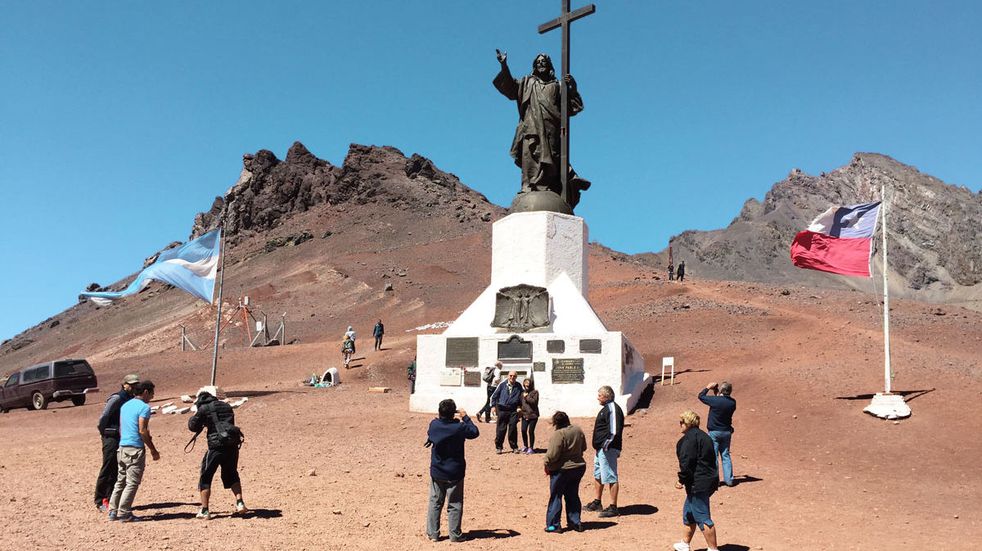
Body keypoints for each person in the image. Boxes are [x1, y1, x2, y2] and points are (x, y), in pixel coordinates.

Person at [493, 50, 590, 209]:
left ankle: (552, 188)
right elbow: (509, 86)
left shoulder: (558, 86)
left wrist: (572, 87)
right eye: (538, 62)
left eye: (544, 62)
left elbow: (573, 107)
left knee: (552, 159)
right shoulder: (527, 83)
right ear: (534, 66)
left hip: (552, 129)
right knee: (531, 155)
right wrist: (504, 65)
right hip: (531, 127)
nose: (541, 64)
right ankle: (529, 186)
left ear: (549, 65)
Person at [187, 386, 248, 519]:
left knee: (206, 476)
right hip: (231, 445)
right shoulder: (226, 406)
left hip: (215, 447)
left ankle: (204, 510)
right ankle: (240, 502)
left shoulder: (204, 409)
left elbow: (192, 426)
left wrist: (197, 414)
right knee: (232, 474)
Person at [425, 399, 479, 542]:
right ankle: (455, 535)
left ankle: (433, 534)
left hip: (437, 471)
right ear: (453, 413)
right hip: (455, 472)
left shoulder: (434, 425)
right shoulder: (459, 428)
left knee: (435, 502)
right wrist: (465, 417)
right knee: (454, 504)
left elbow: (431, 434)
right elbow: (474, 432)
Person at [108, 380, 160, 522]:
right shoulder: (144, 407)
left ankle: (113, 510)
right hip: (135, 448)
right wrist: (153, 450)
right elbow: (142, 430)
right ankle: (124, 513)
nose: (152, 397)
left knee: (121, 480)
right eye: (152, 393)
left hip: (122, 447)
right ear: (145, 392)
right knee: (132, 482)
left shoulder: (125, 405)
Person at [673, 410, 720, 551]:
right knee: (689, 513)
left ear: (687, 423)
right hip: (708, 480)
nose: (680, 425)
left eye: (681, 422)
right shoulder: (705, 436)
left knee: (702, 516)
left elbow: (687, 462)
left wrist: (681, 480)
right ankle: (685, 543)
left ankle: (713, 548)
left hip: (697, 483)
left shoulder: (689, 439)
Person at [94, 373, 138, 512]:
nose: (133, 387)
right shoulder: (117, 398)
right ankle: (101, 500)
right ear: (124, 385)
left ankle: (112, 499)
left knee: (119, 469)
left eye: (135, 385)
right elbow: (104, 417)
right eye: (131, 385)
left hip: (123, 437)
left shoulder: (132, 399)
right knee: (108, 467)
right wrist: (105, 433)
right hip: (111, 436)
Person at [543, 411, 587, 533]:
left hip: (561, 470)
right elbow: (584, 447)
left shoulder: (558, 434)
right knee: (572, 495)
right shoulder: (578, 430)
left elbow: (552, 455)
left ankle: (553, 525)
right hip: (578, 467)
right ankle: (575, 522)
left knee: (556, 496)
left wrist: (546, 463)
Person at [584, 385, 624, 518]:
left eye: (600, 395)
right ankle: (597, 501)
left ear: (607, 396)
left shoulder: (612, 409)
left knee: (611, 475)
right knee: (598, 474)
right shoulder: (606, 409)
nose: (598, 398)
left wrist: (605, 446)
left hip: (608, 448)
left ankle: (613, 507)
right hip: (601, 449)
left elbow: (614, 431)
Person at [699, 381, 736, 487]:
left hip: (714, 432)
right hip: (726, 432)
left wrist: (707, 387)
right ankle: (729, 480)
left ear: (721, 391)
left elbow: (701, 396)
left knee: (713, 456)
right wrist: (717, 392)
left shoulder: (715, 401)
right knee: (725, 455)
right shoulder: (733, 402)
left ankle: (715, 481)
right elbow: (721, 401)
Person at [490, 370, 523, 454]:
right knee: (501, 429)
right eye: (511, 375)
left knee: (512, 429)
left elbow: (521, 398)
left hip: (513, 410)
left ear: (516, 377)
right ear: (508, 376)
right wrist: (493, 406)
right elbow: (494, 396)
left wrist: (520, 407)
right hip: (502, 410)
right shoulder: (502, 385)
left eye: (514, 376)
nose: (512, 377)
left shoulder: (519, 386)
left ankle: (514, 447)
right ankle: (499, 447)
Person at [520, 377, 540, 454]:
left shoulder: (535, 392)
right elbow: (520, 402)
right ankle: (525, 446)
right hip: (525, 415)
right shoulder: (522, 393)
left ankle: (531, 447)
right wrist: (519, 408)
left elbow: (534, 402)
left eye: (528, 383)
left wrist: (526, 397)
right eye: (525, 383)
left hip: (533, 415)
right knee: (523, 430)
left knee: (531, 431)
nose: (526, 385)